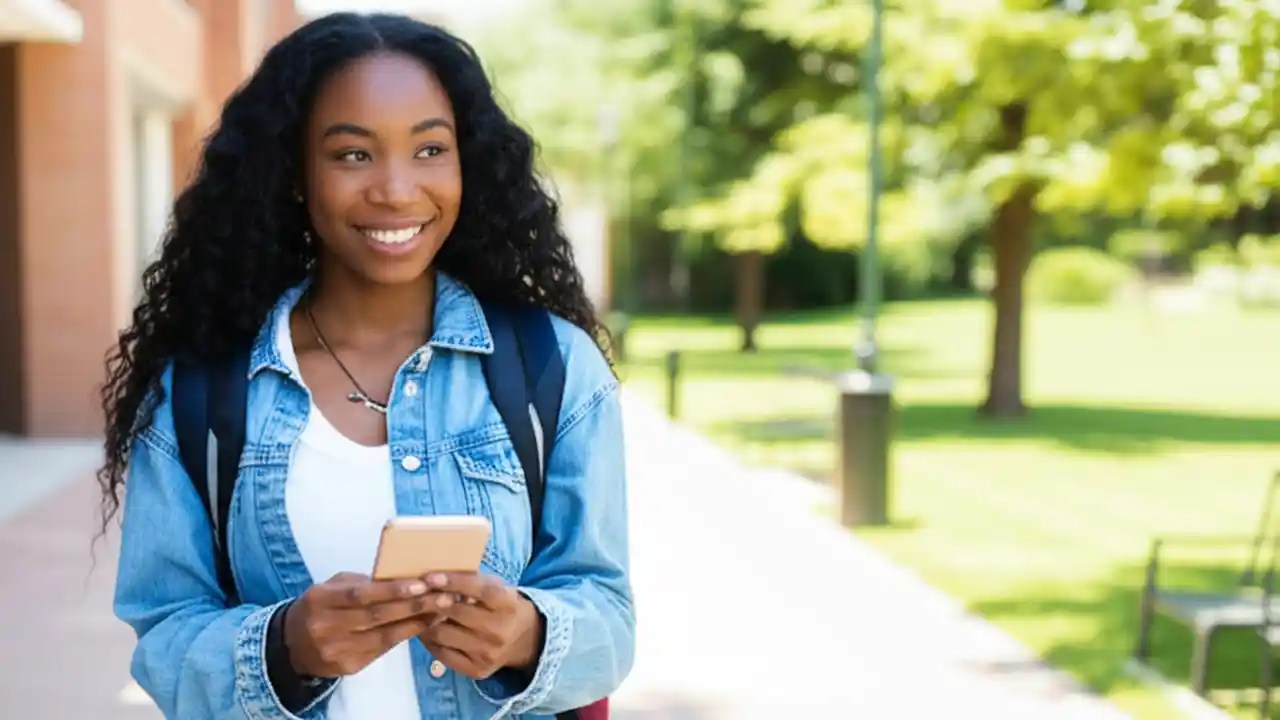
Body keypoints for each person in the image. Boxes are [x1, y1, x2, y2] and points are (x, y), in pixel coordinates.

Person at [97, 12, 634, 720]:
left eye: (430, 149)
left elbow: (609, 620)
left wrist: (527, 635)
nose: (396, 189)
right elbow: (164, 636)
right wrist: (285, 648)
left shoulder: (552, 366)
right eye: (352, 154)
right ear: (295, 173)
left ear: (465, 161)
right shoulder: (203, 389)